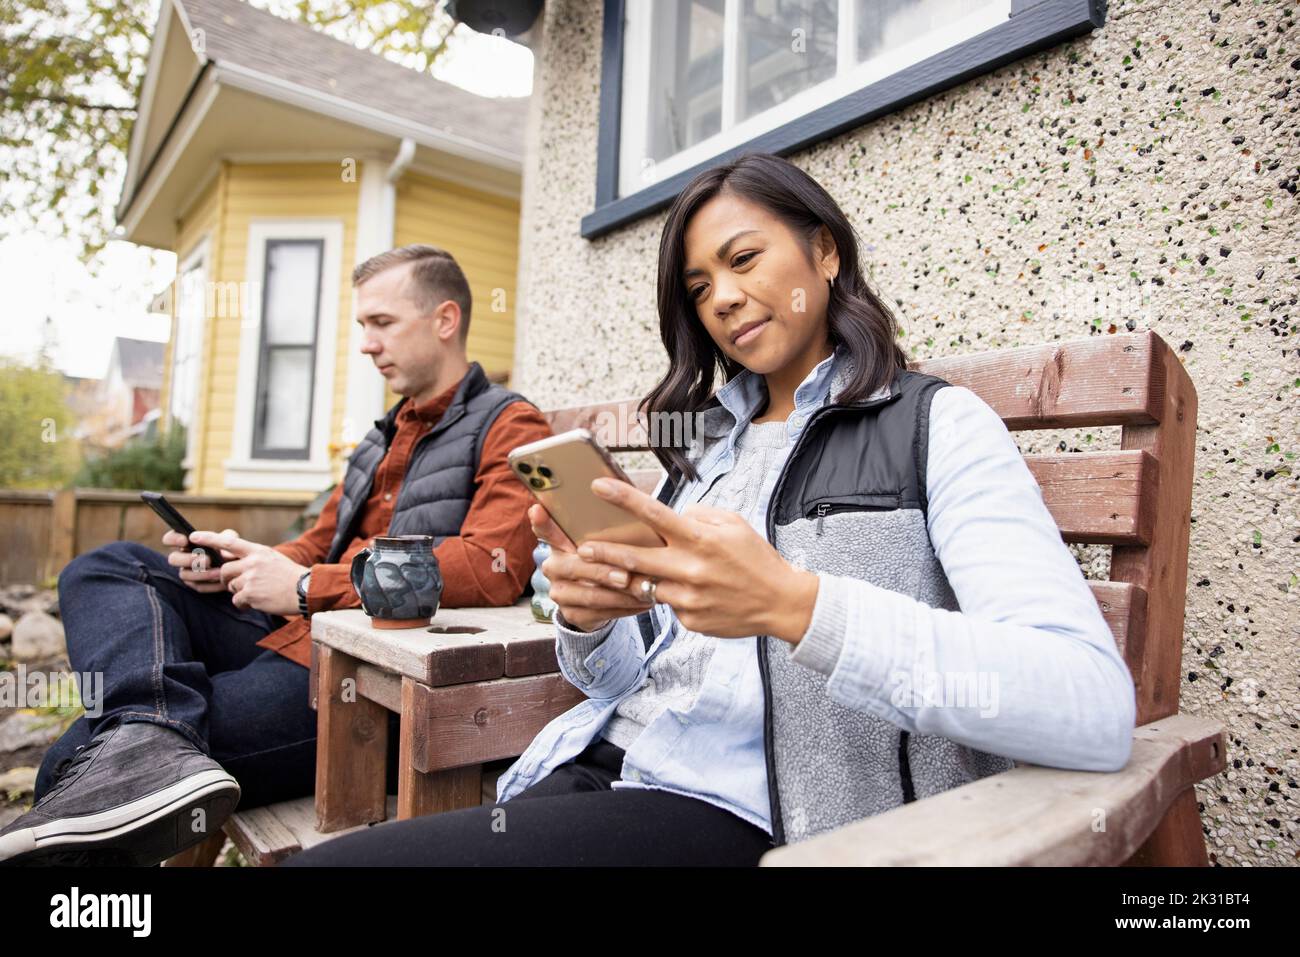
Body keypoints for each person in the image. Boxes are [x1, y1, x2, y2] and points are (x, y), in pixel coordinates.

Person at [282, 153, 1136, 867]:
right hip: (603, 766)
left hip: (762, 819)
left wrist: (800, 608)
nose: (722, 297)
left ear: (825, 253)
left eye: (745, 258)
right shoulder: (708, 455)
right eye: (699, 284)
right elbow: (627, 680)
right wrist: (588, 616)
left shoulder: (933, 426)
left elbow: (1093, 709)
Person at [0, 244, 552, 866]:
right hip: (291, 635)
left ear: (445, 320)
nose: (367, 344)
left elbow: (491, 568)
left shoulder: (510, 425)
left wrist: (303, 586)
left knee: (71, 766)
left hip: (363, 678)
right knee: (108, 563)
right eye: (362, 326)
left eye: (382, 323)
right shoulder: (382, 439)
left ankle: (145, 739)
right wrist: (240, 561)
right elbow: (319, 543)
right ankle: (151, 726)